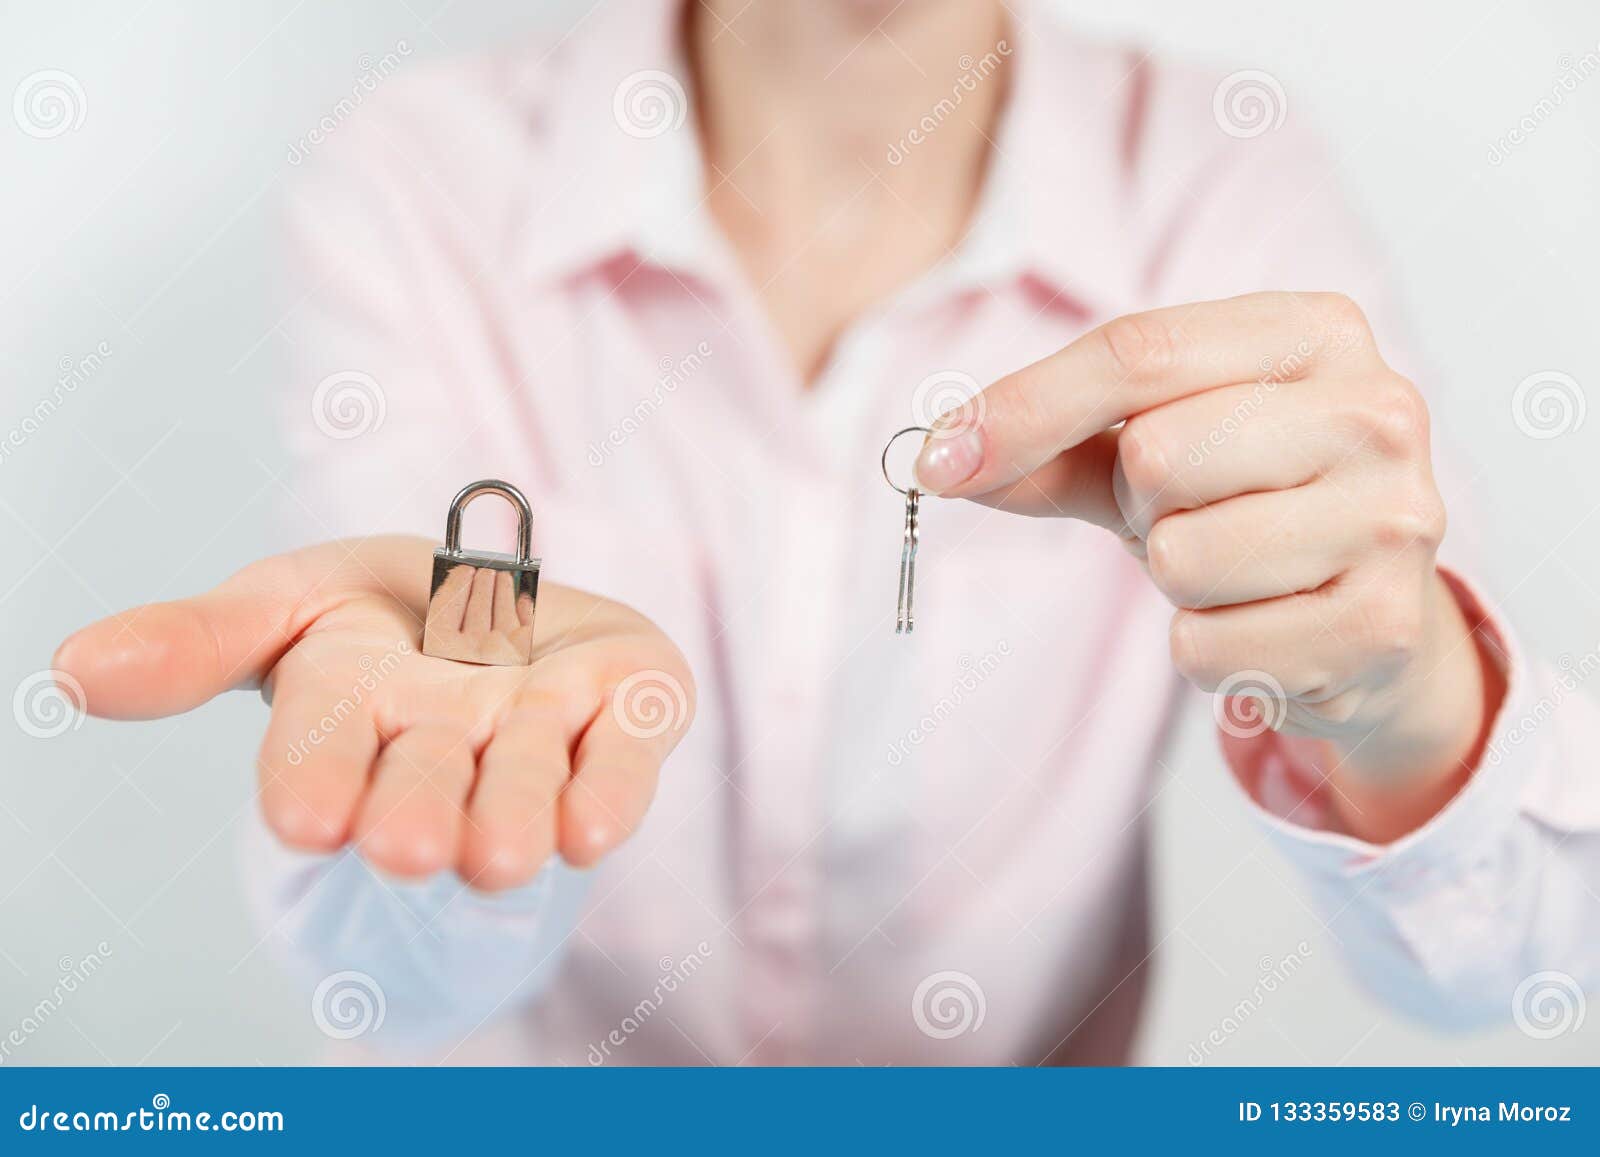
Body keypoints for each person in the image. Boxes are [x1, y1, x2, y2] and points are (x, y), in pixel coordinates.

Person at [53, 0, 1597, 1064]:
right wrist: (450, 813)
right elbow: (388, 969)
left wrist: (1405, 706)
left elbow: (1509, 970)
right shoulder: (422, 183)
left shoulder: (1214, 189)